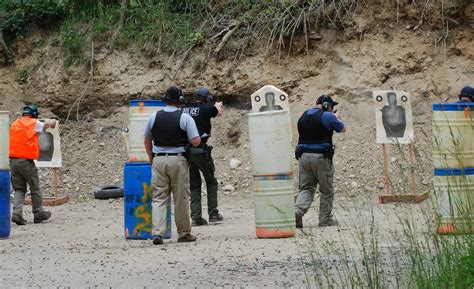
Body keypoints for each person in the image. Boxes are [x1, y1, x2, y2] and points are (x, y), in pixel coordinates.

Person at [144, 85, 201, 245]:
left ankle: (158, 233)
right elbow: (196, 141)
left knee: (159, 197)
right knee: (181, 197)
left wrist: (151, 157)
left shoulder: (154, 116)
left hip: (158, 160)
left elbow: (147, 139)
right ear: (180, 100)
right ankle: (184, 233)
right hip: (178, 160)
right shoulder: (185, 118)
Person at [294, 95, 346, 228]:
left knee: (306, 188)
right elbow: (342, 129)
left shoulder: (304, 115)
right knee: (326, 189)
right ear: (326, 105)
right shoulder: (327, 116)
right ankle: (325, 219)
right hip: (321, 157)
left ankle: (297, 212)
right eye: (331, 106)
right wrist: (336, 117)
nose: (332, 109)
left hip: (303, 157)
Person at [183, 88, 224, 226]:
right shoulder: (206, 109)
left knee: (194, 184)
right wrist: (217, 106)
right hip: (201, 150)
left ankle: (196, 216)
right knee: (211, 181)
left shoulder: (186, 109)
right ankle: (213, 213)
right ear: (207, 99)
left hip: (187, 151)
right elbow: (217, 112)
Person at [9, 104, 56, 225]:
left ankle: (16, 213)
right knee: (35, 188)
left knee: (19, 189)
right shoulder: (33, 123)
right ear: (34, 114)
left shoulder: (15, 123)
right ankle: (38, 213)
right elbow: (48, 124)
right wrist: (53, 120)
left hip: (13, 162)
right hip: (25, 162)